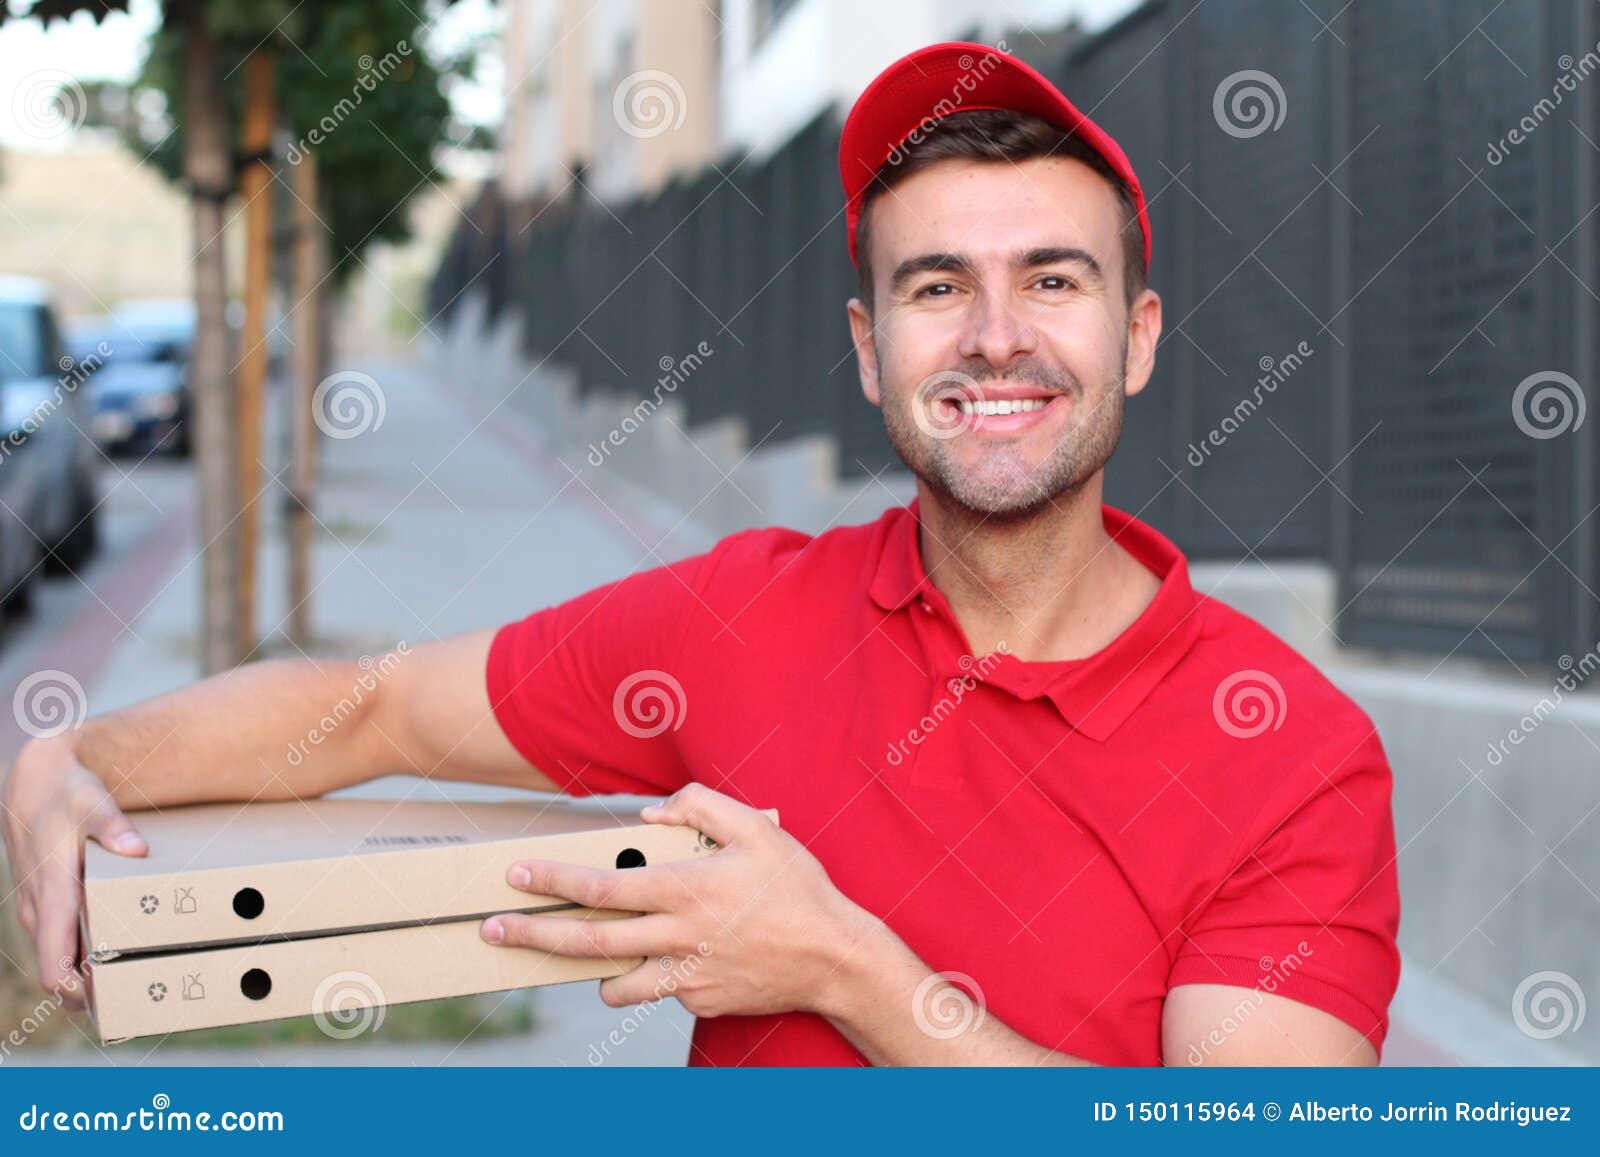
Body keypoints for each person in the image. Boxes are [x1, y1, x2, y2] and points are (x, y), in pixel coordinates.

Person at [2, 42, 1399, 1066]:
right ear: (866, 352)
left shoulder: (1290, 755)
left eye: (1052, 278)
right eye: (934, 287)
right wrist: (83, 759)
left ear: (1138, 336)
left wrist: (842, 965)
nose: (993, 335)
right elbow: (370, 705)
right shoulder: (749, 618)